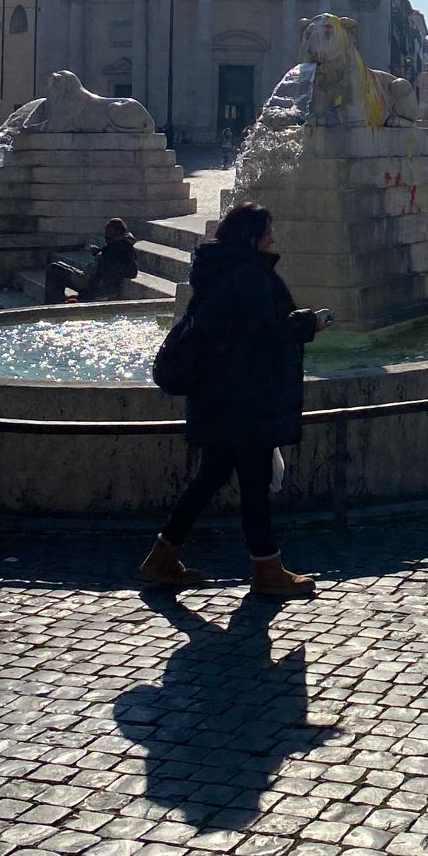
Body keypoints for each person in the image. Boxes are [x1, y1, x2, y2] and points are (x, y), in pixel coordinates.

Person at [141, 202, 334, 596]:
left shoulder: (221, 270)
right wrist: (307, 324)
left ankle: (163, 556)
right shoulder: (248, 277)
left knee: (211, 477)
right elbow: (265, 335)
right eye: (267, 231)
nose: (273, 238)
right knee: (254, 482)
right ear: (251, 237)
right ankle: (267, 569)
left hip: (221, 397)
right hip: (244, 399)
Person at [45, 219, 139, 304]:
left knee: (53, 270)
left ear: (118, 231)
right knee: (58, 265)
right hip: (92, 280)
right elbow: (108, 261)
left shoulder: (121, 247)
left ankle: (53, 305)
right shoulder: (116, 244)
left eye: (108, 230)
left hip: (93, 285)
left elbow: (128, 270)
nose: (105, 234)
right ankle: (55, 303)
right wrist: (99, 253)